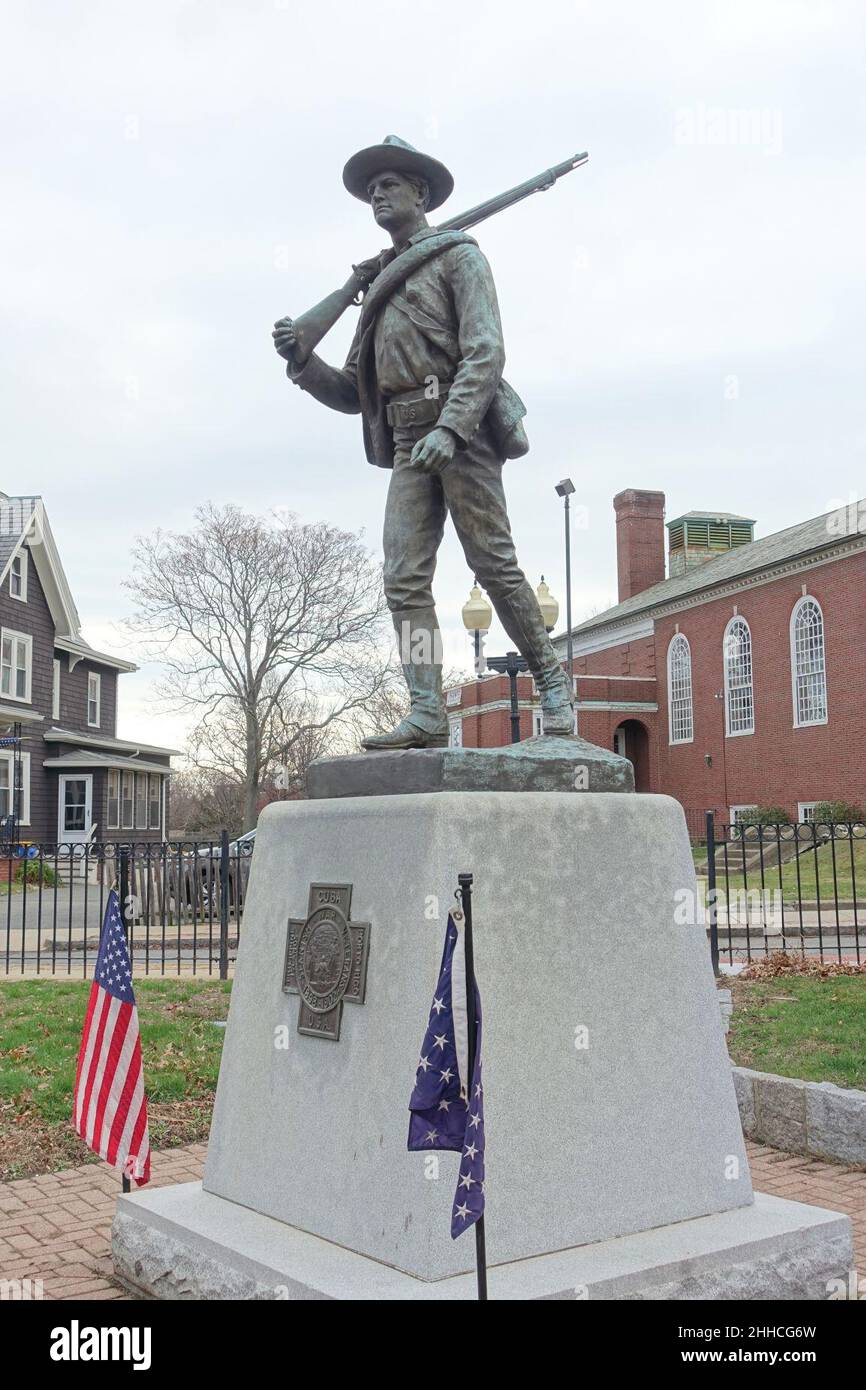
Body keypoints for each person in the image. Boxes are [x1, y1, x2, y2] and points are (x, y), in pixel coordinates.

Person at [273, 135, 574, 749]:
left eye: (390, 184)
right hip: (410, 439)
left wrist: (452, 427)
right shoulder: (377, 288)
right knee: (403, 579)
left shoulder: (459, 258)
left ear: (421, 193)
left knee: (492, 563)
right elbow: (358, 392)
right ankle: (426, 709)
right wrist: (303, 362)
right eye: (372, 188)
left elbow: (486, 351)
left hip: (459, 433)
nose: (378, 194)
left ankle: (551, 679)